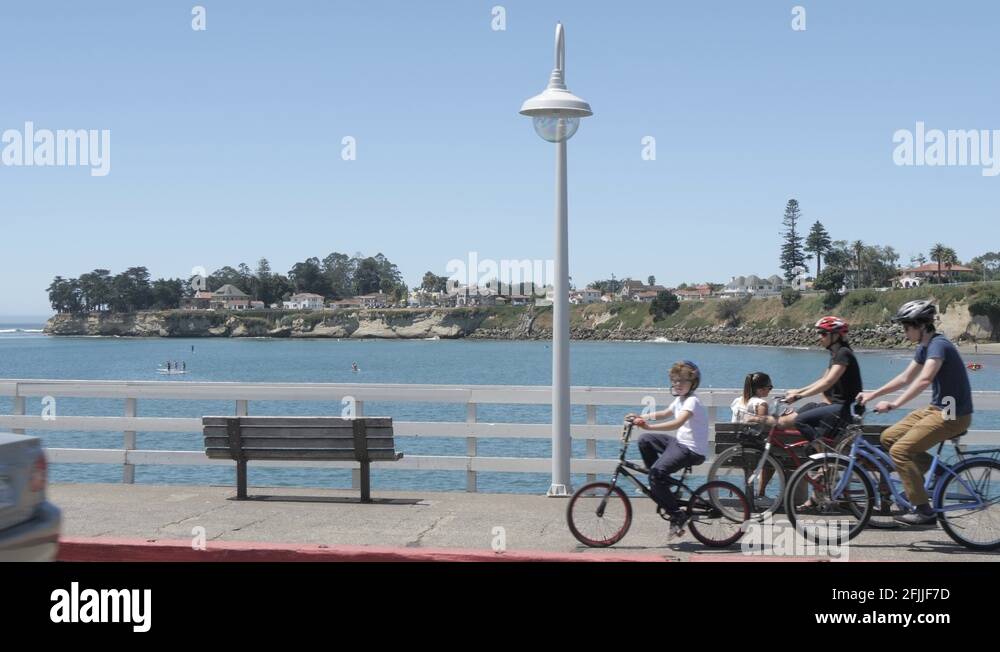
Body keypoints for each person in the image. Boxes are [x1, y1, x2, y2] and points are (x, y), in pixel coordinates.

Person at [857, 300, 974, 526]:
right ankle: (942, 475)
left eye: (906, 327)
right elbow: (905, 378)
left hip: (953, 413)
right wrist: (873, 394)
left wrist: (895, 404)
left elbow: (925, 379)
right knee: (888, 438)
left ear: (920, 325)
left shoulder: (939, 345)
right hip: (938, 408)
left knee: (900, 451)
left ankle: (924, 511)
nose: (904, 331)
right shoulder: (924, 347)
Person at [750, 316, 863, 447]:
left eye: (823, 333)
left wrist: (799, 396)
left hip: (842, 409)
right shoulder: (835, 355)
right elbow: (822, 380)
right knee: (783, 422)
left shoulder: (844, 354)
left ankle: (824, 454)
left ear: (836, 336)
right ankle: (758, 419)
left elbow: (828, 382)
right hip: (830, 407)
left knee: (800, 421)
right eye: (819, 333)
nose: (820, 337)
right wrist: (798, 391)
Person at [628, 360, 709, 539]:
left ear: (693, 383)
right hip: (680, 443)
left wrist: (650, 427)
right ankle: (659, 482)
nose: (677, 384)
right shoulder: (680, 399)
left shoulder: (692, 401)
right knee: (645, 440)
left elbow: (677, 422)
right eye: (675, 381)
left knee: (655, 474)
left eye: (682, 381)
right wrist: (641, 416)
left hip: (692, 450)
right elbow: (665, 413)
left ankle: (678, 514)